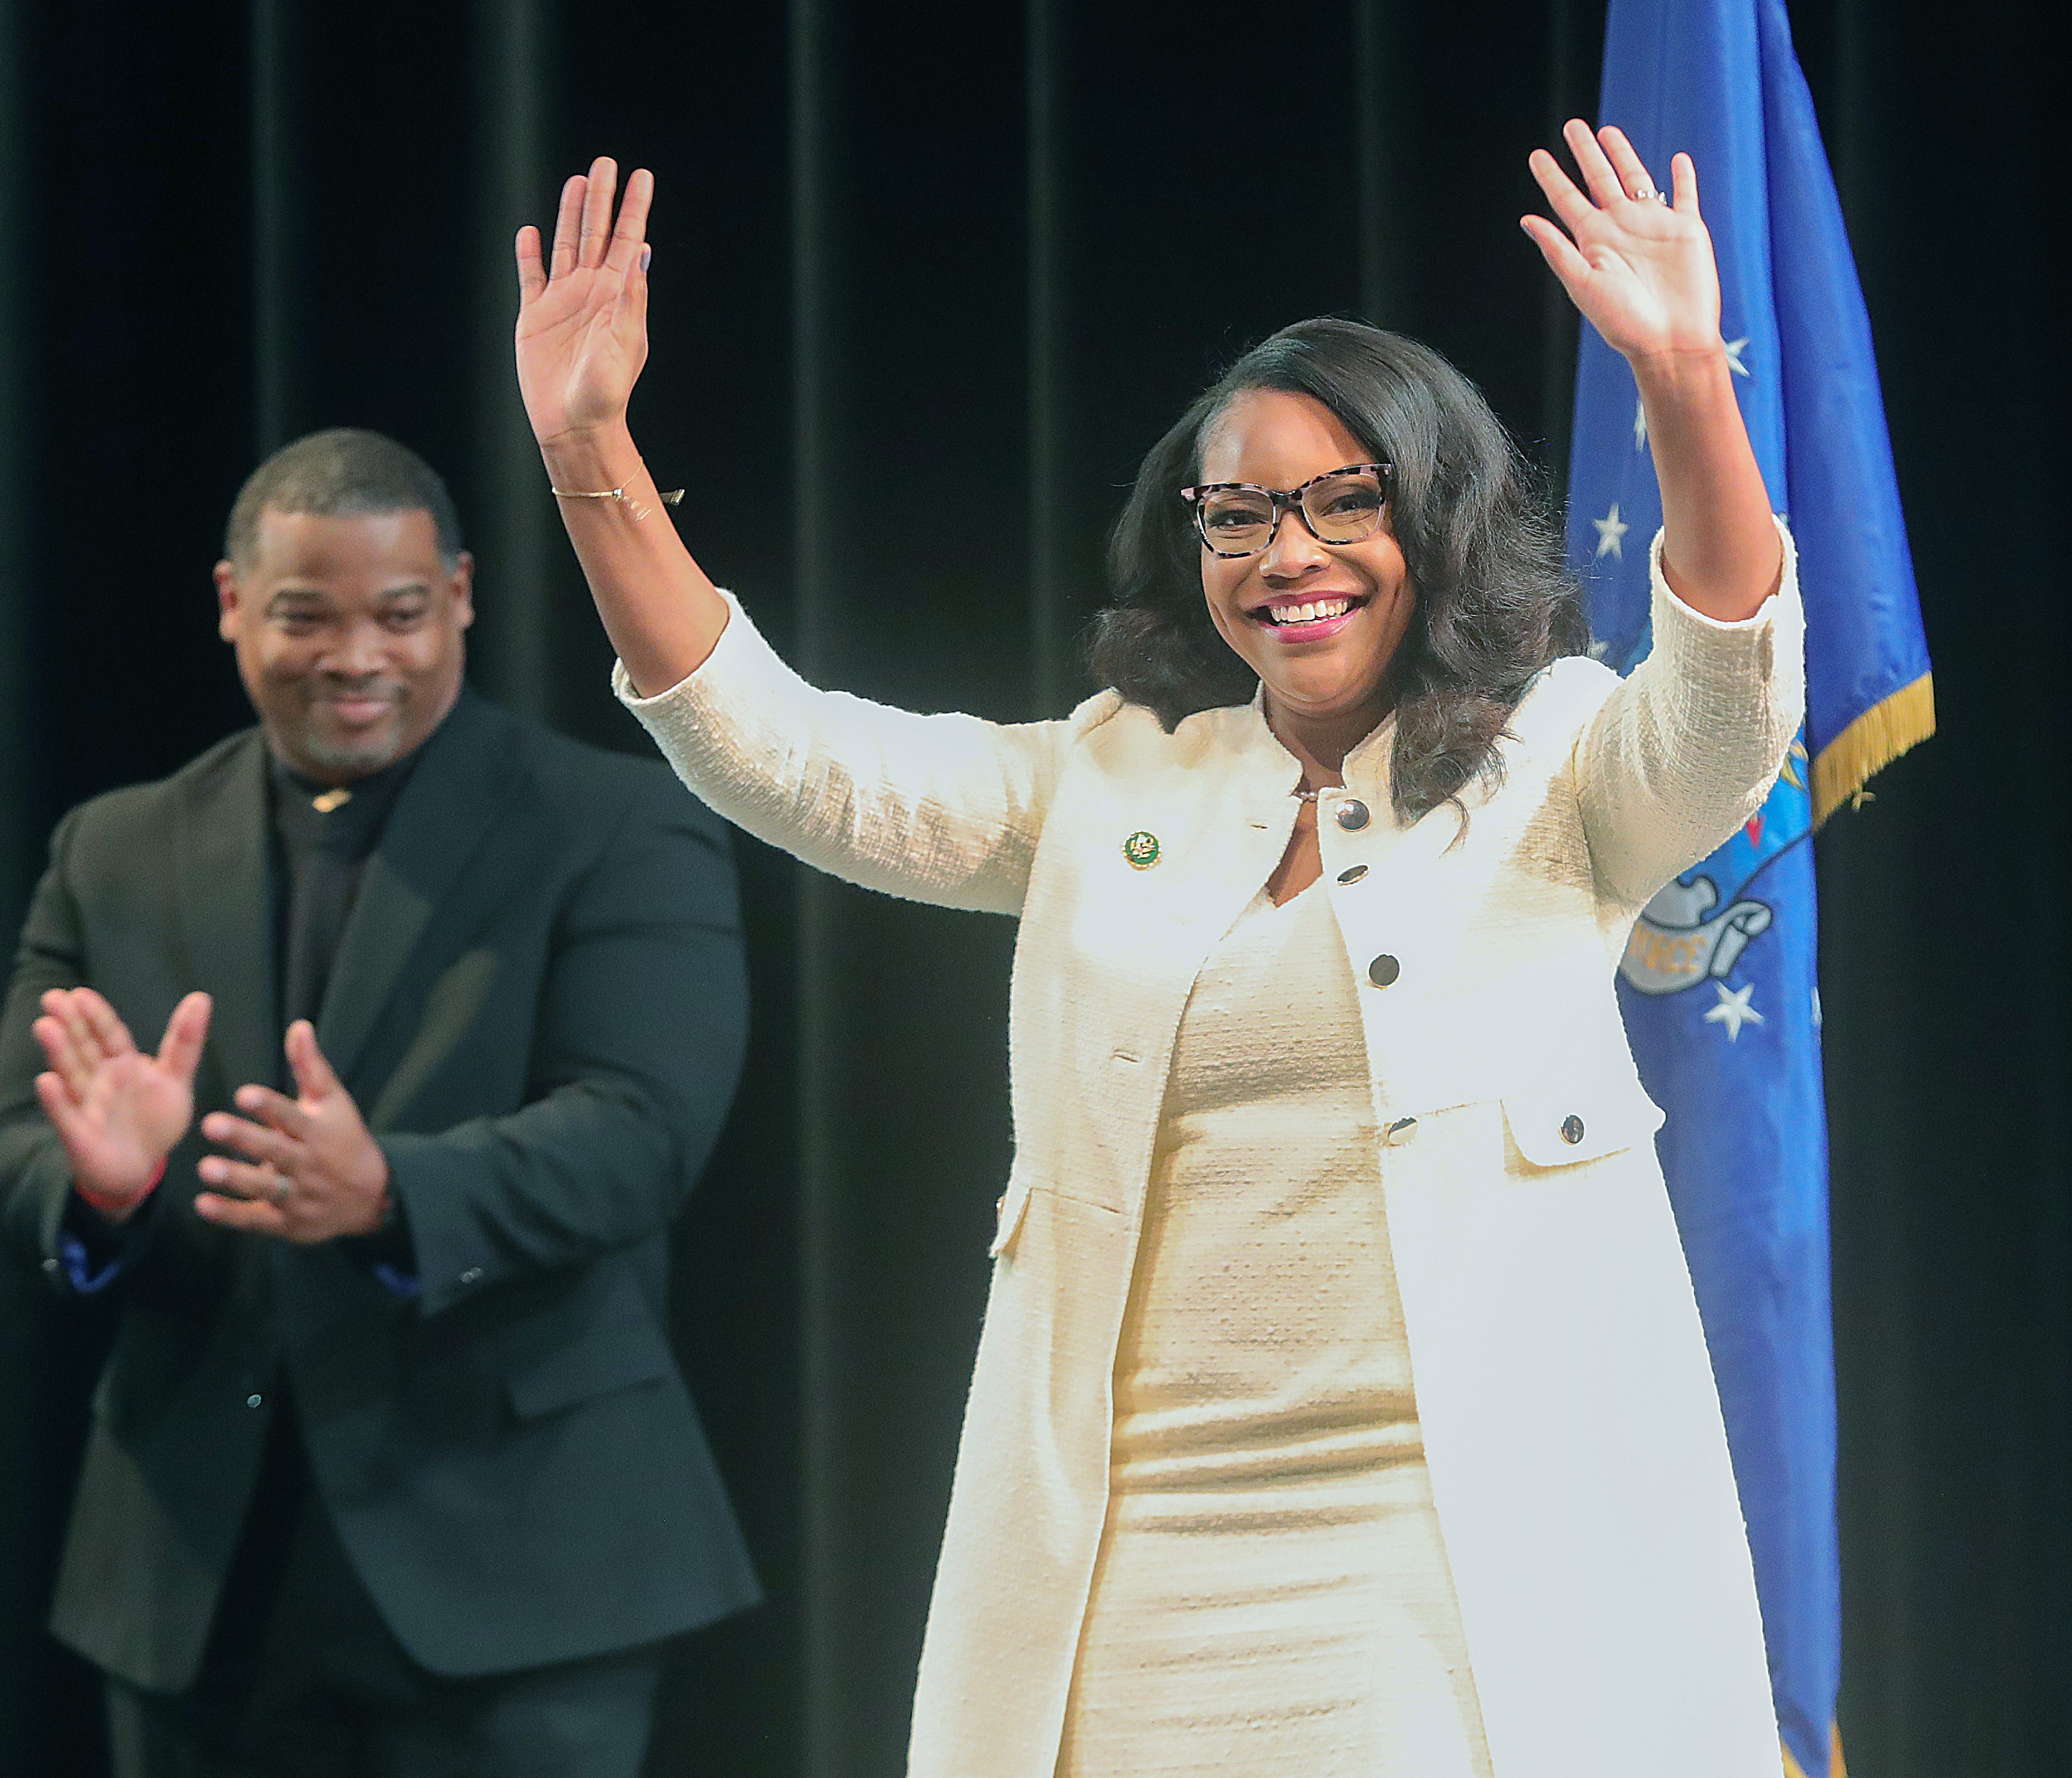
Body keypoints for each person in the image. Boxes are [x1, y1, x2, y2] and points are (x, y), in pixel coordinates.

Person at [511, 121, 1798, 1778]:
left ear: (1440, 517)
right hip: (1125, 1580)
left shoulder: (1552, 757)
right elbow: (781, 750)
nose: (1286, 557)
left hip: (1450, 1573)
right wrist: (585, 445)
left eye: (1346, 502)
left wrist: (1683, 380)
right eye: (1237, 514)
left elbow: (1726, 707)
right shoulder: (1113, 773)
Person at [0, 428, 759, 1778]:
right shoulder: (112, 847)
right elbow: (13, 1153)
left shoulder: (617, 826)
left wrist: (392, 1192)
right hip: (195, 1582)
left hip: (522, 1566)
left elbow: (641, 1137)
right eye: (305, 617)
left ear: (459, 596)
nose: (356, 658)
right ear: (231, 605)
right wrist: (104, 1185)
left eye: (399, 615)